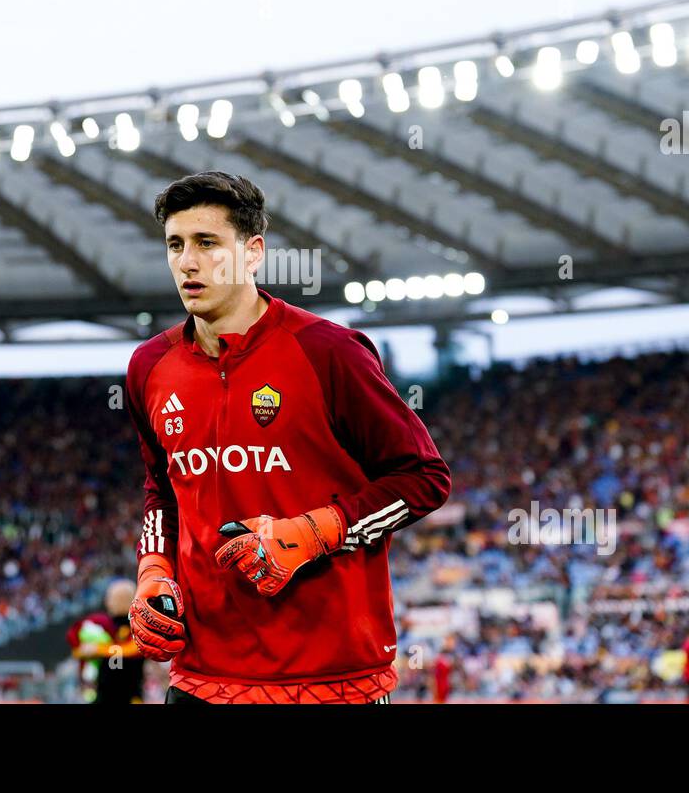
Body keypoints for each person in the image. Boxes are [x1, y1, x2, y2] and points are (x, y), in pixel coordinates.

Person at [124, 171, 451, 704]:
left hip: (333, 683)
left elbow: (423, 478)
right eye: (176, 245)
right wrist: (154, 569)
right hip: (202, 681)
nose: (187, 262)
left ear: (253, 253)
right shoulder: (149, 367)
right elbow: (161, 490)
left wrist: (316, 531)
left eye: (208, 244)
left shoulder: (329, 352)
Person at [66, 579, 144, 703]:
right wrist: (84, 651)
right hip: (104, 692)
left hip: (129, 693)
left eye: (113, 597)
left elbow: (135, 649)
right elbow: (77, 648)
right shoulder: (103, 624)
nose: (108, 601)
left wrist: (99, 649)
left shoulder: (138, 625)